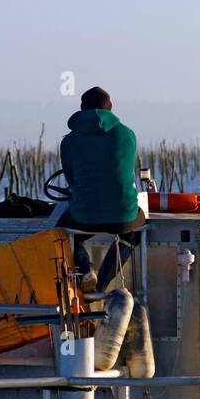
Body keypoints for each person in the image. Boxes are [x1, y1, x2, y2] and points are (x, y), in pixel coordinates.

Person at [57, 86, 144, 284]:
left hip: (84, 216)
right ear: (110, 108)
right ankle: (103, 284)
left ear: (81, 109)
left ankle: (86, 271)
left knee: (63, 233)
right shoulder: (127, 134)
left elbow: (71, 181)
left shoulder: (69, 141)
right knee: (134, 232)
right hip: (123, 216)